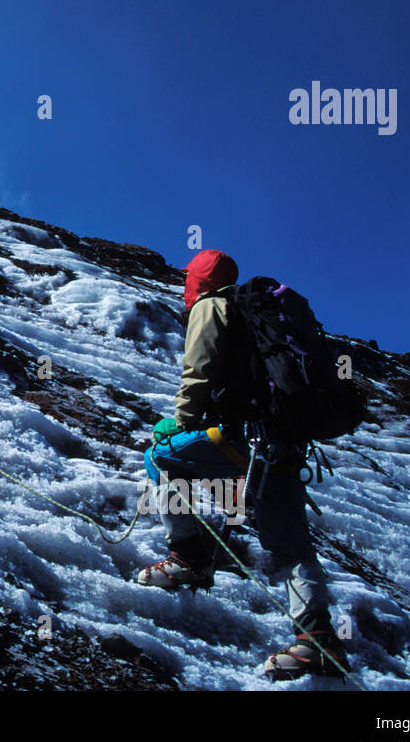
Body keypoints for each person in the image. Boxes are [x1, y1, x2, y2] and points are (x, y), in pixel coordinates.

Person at [136, 248, 348, 680]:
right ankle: (318, 641)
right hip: (284, 445)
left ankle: (188, 561)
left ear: (198, 280)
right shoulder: (261, 313)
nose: (184, 287)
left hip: (242, 439)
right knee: (292, 547)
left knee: (161, 458)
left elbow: (199, 371)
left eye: (188, 279)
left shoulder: (213, 305)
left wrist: (181, 423)